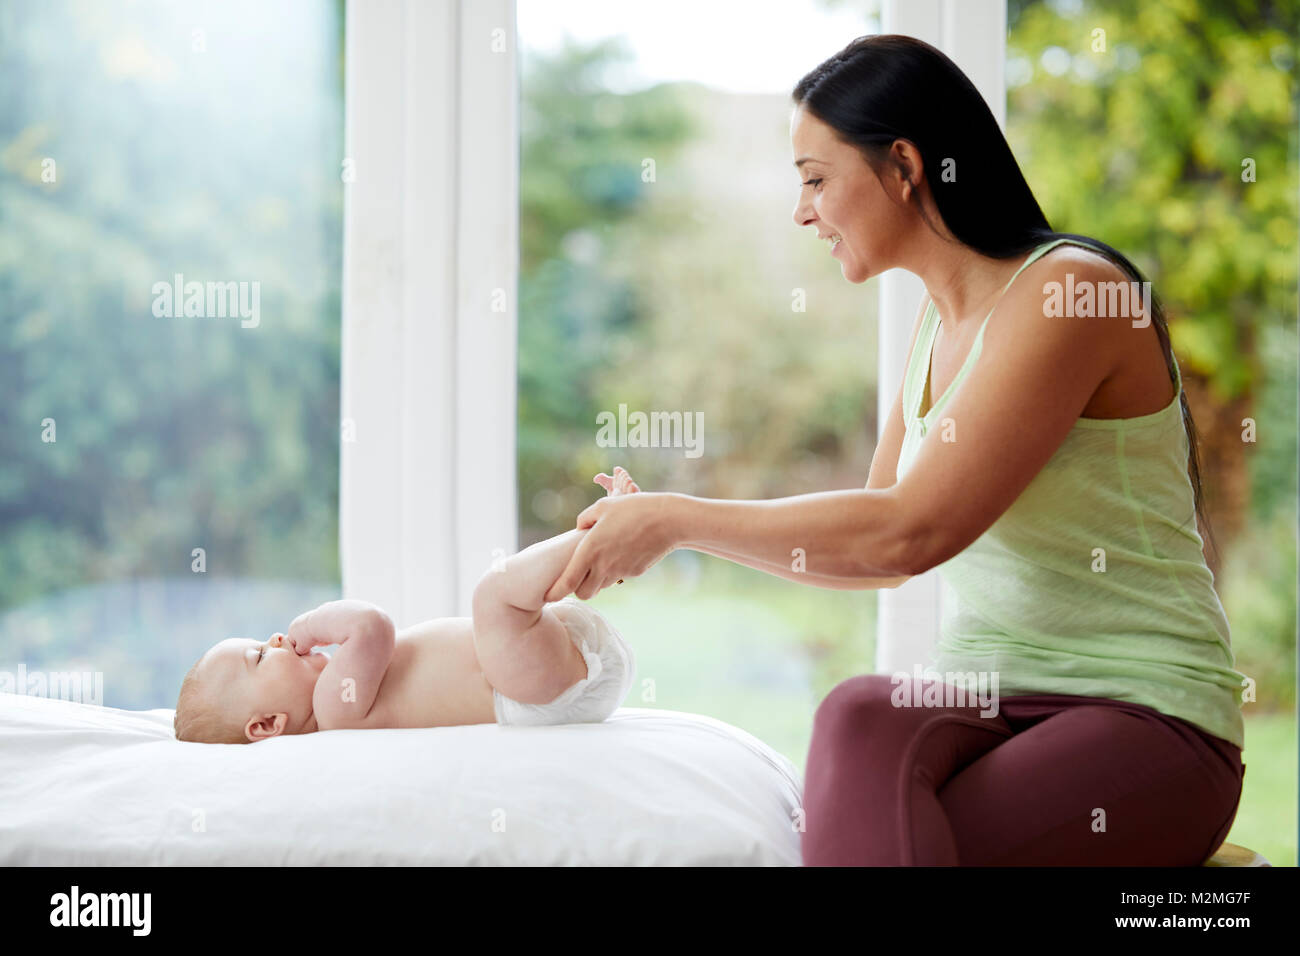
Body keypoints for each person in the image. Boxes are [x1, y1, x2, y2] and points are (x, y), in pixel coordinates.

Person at [541, 35, 1247, 865]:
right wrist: (671, 524)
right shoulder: (935, 328)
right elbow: (878, 548)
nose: (802, 211)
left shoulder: (1068, 293)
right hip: (990, 703)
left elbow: (911, 531)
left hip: (1147, 716)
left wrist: (677, 521)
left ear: (905, 166)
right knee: (858, 711)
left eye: (814, 179)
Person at [173, 471, 639, 743]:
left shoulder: (341, 700)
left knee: (513, 603)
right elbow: (371, 626)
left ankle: (608, 554)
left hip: (545, 660)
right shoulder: (334, 709)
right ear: (269, 724)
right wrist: (313, 623)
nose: (275, 639)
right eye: (259, 654)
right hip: (523, 688)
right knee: (493, 598)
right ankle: (604, 534)